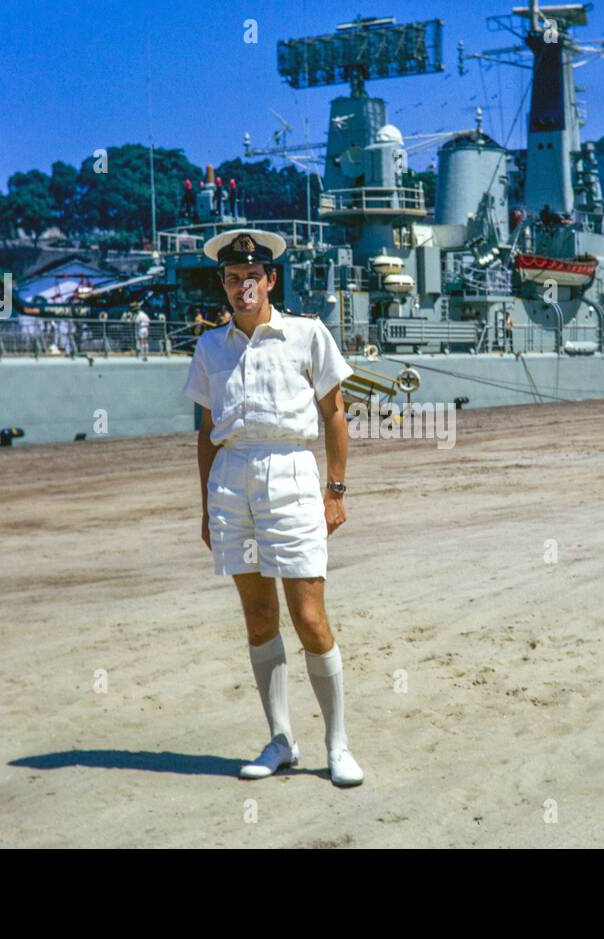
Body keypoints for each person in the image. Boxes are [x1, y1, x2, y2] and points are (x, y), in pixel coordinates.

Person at [182, 228, 363, 787]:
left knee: (309, 618)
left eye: (251, 278)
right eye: (233, 279)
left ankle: (338, 744)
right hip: (233, 481)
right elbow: (208, 431)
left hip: (291, 473)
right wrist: (207, 502)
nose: (243, 288)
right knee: (259, 619)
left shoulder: (307, 335)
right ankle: (281, 740)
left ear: (270, 280)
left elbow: (334, 415)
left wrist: (336, 489)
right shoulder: (211, 348)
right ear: (224, 284)